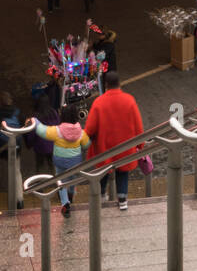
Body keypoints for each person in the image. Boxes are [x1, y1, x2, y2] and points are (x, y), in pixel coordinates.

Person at [85, 70, 144, 210]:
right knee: (123, 172)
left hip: (104, 147)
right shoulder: (129, 100)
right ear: (119, 84)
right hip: (125, 147)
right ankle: (122, 199)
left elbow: (89, 129)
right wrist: (141, 145)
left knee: (104, 170)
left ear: (105, 85)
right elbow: (138, 125)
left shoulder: (98, 103)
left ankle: (102, 195)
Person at [31, 108, 91, 216]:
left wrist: (35, 120)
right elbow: (87, 145)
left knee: (61, 181)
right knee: (73, 178)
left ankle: (65, 203)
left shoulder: (57, 131)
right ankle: (71, 193)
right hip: (75, 161)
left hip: (60, 160)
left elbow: (42, 131)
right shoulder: (81, 132)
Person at [28, 93, 60, 182]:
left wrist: (29, 143)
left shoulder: (35, 116)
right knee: (53, 166)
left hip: (40, 147)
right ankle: (59, 185)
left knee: (40, 167)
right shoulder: (53, 112)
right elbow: (58, 125)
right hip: (52, 145)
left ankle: (40, 186)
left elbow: (32, 132)